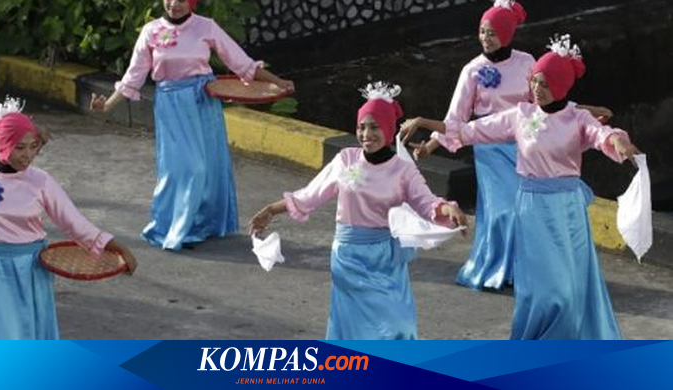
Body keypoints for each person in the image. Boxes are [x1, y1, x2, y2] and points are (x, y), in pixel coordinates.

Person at [400, 35, 638, 339]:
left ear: (561, 86)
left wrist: (618, 140)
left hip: (569, 211)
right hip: (533, 208)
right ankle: (544, 343)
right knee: (549, 290)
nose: (536, 90)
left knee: (575, 285)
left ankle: (573, 345)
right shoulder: (521, 115)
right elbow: (469, 129)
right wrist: (424, 122)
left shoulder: (577, 118)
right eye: (534, 82)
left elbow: (602, 133)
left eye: (545, 84)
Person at [410, 0, 612, 291]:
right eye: (481, 31)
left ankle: (528, 269)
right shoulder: (472, 70)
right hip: (488, 149)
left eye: (492, 32)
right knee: (502, 210)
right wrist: (430, 146)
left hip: (525, 142)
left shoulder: (527, 61)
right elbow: (456, 118)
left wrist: (584, 110)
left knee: (526, 209)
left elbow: (547, 100)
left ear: (506, 33)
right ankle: (496, 267)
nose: (485, 37)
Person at [249, 83, 467, 340]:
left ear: (387, 129)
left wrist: (447, 207)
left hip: (385, 259)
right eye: (361, 127)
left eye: (374, 127)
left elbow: (426, 202)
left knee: (398, 328)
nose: (366, 134)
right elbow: (310, 195)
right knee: (354, 330)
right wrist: (272, 210)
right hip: (348, 257)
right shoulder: (346, 159)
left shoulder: (403, 170)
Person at [0, 98, 138, 340]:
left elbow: (76, 224)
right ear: (1, 144)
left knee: (31, 331)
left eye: (33, 147)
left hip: (31, 268)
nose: (28, 155)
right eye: (19, 148)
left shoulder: (41, 181)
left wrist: (118, 248)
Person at [90, 0, 295, 251]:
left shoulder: (206, 27)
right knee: (187, 168)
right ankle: (175, 227)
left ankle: (202, 225)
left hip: (203, 102)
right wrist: (106, 106)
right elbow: (134, 76)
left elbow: (241, 63)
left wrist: (279, 82)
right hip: (171, 106)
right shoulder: (151, 31)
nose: (173, 4)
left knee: (209, 166)